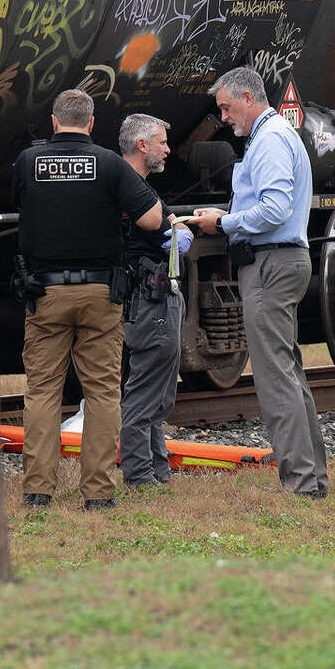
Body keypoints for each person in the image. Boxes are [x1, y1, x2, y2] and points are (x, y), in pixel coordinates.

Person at [14, 88, 164, 510]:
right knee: (101, 392)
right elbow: (152, 218)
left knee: (42, 390)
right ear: (92, 123)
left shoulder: (28, 161)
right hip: (101, 293)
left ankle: (38, 490)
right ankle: (97, 493)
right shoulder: (111, 163)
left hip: (45, 293)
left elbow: (22, 202)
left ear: (54, 121)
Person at [188, 66, 328, 499]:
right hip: (281, 261)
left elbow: (274, 209)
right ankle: (313, 478)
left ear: (248, 98)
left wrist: (222, 223)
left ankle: (301, 484)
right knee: (289, 373)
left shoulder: (268, 140)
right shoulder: (278, 136)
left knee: (274, 378)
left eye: (227, 107)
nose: (224, 117)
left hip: (270, 265)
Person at [116, 112, 186, 488]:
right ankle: (140, 475)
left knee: (158, 392)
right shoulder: (128, 186)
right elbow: (164, 225)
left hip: (154, 295)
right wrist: (175, 228)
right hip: (148, 298)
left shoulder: (140, 187)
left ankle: (157, 470)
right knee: (145, 391)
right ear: (142, 145)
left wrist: (176, 227)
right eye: (162, 142)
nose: (168, 150)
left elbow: (170, 223)